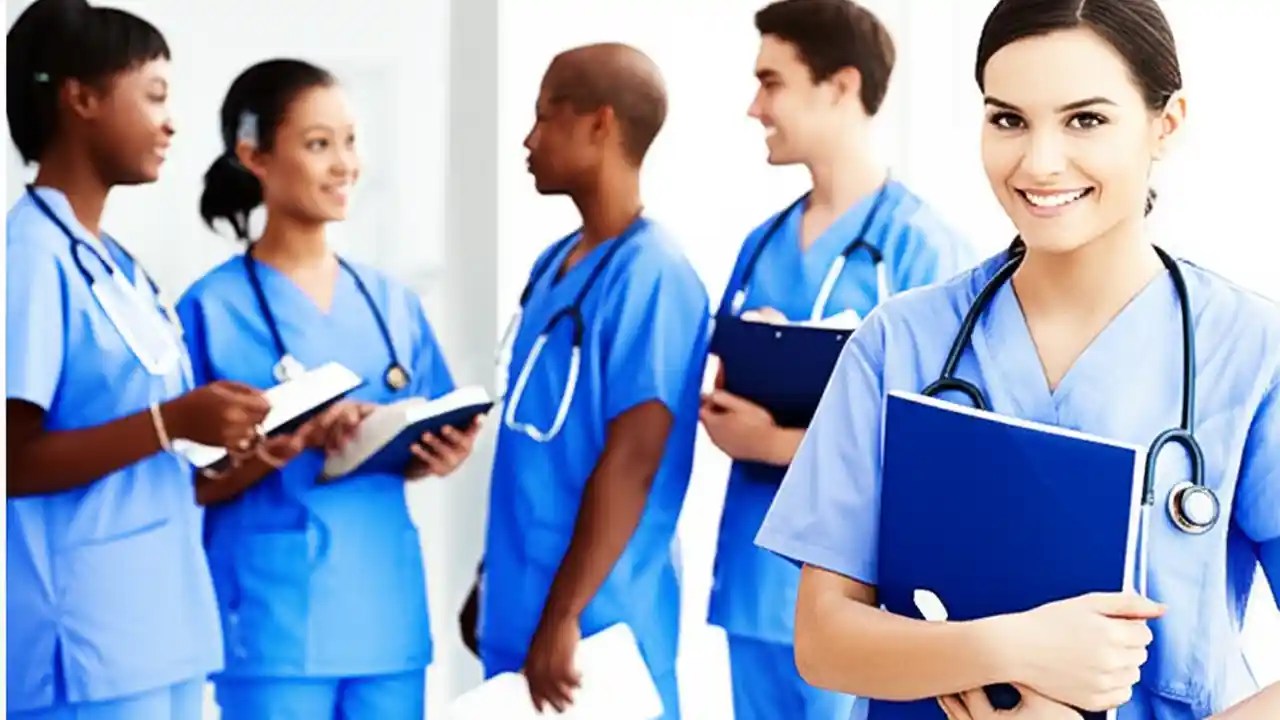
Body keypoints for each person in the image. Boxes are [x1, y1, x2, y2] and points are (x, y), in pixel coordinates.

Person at [754, 0, 1280, 718]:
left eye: (1086, 120)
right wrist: (1016, 647)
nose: (1038, 162)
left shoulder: (1248, 352)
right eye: (1008, 119)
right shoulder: (900, 341)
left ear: (1167, 123)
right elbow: (824, 639)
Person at [175, 58, 479, 720]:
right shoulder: (210, 308)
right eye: (318, 144)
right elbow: (183, 482)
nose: (345, 164)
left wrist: (441, 451)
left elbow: (427, 418)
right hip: (272, 622)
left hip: (384, 616)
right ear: (252, 154)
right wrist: (291, 442)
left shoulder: (391, 303)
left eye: (349, 141)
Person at [699, 2, 975, 718]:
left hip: (854, 592)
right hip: (754, 579)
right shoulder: (759, 244)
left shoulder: (923, 247)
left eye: (772, 82)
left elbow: (940, 442)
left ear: (840, 86)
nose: (754, 105)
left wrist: (774, 443)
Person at [5, 1, 277, 718]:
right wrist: (171, 420)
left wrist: (230, 450)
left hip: (163, 626)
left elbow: (147, 461)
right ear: (81, 98)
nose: (172, 121)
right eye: (154, 95)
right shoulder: (29, 259)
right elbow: (11, 459)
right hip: (87, 641)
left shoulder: (118, 267)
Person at [478, 42, 710, 718]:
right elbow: (535, 447)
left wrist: (562, 614)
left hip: (596, 627)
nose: (529, 137)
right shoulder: (556, 265)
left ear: (600, 125)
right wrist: (490, 582)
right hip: (523, 603)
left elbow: (634, 461)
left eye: (547, 116)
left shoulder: (656, 276)